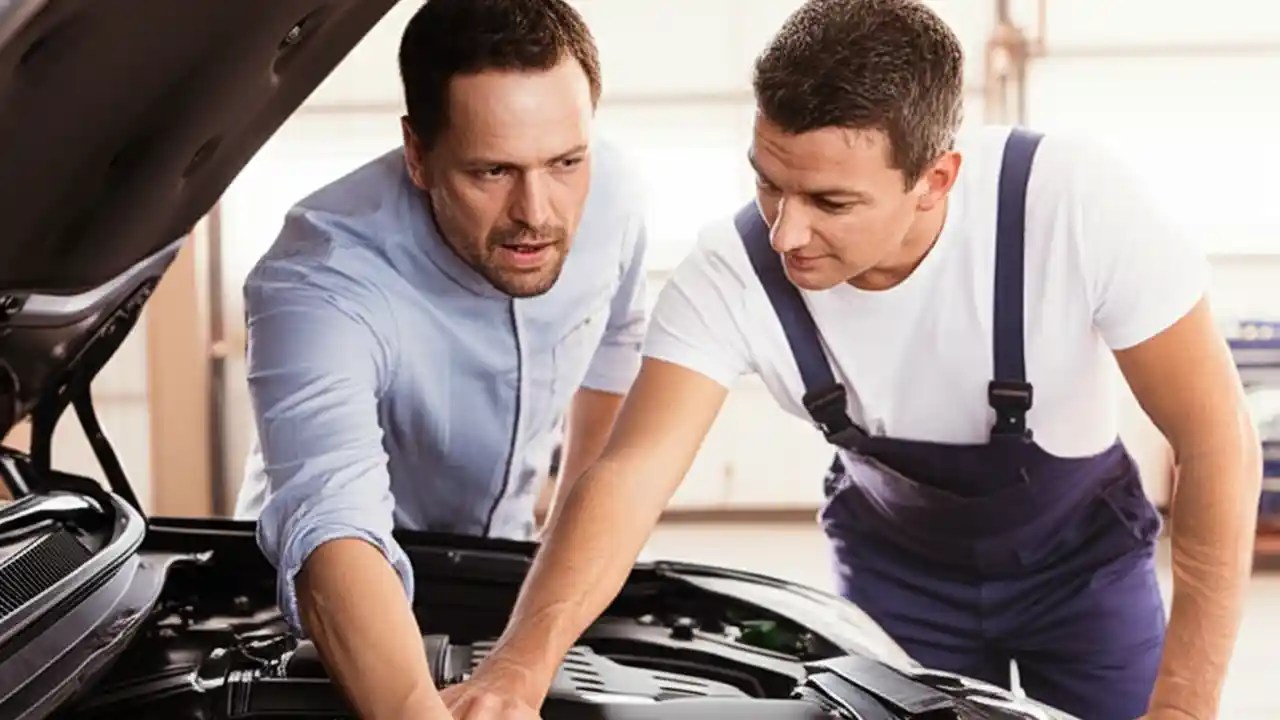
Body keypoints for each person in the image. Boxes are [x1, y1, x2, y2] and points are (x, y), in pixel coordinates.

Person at [442, 1, 1262, 719]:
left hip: (1083, 570)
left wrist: (1186, 703)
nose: (786, 233)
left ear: (936, 179)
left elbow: (1216, 438)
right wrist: (520, 666)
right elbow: (627, 477)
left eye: (831, 202)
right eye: (768, 184)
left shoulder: (1071, 204)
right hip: (895, 574)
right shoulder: (730, 272)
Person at [233, 1, 651, 718]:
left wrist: (570, 540)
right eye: (493, 171)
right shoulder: (317, 275)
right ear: (418, 155)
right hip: (345, 596)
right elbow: (335, 521)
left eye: (565, 162)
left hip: (509, 563)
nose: (538, 212)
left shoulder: (613, 194)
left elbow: (614, 359)